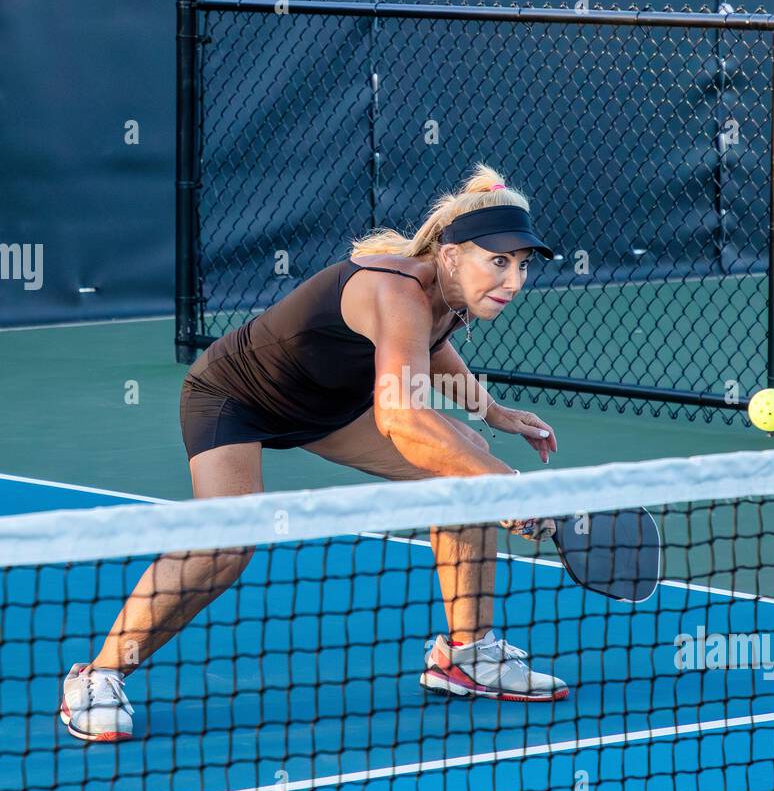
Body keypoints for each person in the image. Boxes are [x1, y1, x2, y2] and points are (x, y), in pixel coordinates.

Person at [60, 164, 567, 742]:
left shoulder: (447, 295)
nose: (514, 279)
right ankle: (98, 675)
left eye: (521, 265)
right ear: (450, 254)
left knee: (458, 465)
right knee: (227, 541)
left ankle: (466, 655)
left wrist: (492, 414)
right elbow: (401, 416)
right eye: (498, 261)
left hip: (325, 406)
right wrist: (508, 485)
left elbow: (433, 347)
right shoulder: (393, 288)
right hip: (235, 396)